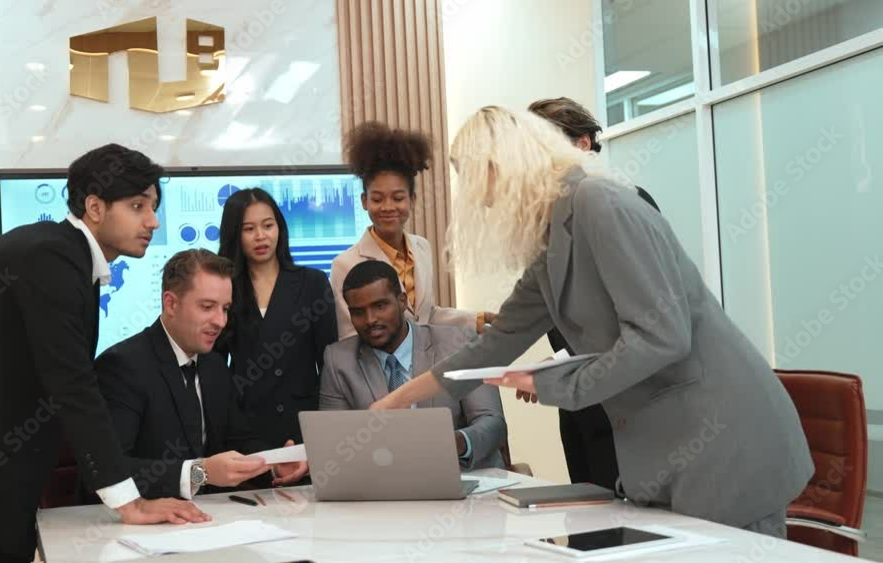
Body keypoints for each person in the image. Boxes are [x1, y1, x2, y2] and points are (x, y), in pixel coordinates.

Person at [371, 106, 813, 538]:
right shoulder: (554, 237)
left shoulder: (599, 204)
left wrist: (552, 384)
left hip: (723, 439)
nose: (476, 196)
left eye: (470, 174)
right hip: (670, 450)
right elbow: (493, 344)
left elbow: (662, 336)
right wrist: (389, 406)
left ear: (503, 165)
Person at [0, 144, 208, 563]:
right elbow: (72, 383)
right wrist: (129, 502)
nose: (153, 221)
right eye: (138, 206)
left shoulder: (64, 253)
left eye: (153, 206)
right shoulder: (51, 257)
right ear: (94, 207)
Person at [89, 249, 308, 502]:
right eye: (207, 307)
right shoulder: (122, 366)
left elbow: (238, 440)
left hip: (210, 520)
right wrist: (199, 473)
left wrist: (272, 463)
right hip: (141, 527)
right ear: (171, 303)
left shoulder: (214, 365)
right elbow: (107, 471)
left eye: (225, 309)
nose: (220, 321)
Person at [526, 97, 661, 493]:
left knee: (632, 536)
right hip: (578, 401)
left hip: (629, 402)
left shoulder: (625, 202)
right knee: (584, 524)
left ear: (583, 144)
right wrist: (558, 362)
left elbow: (644, 317)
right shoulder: (549, 217)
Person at [320, 261, 507, 469]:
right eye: (358, 312)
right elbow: (333, 443)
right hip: (383, 485)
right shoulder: (339, 360)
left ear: (402, 301)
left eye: (380, 306)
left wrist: (457, 442)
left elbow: (493, 424)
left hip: (462, 478)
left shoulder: (460, 344)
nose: (370, 320)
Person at [331, 121, 494, 340]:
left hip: (422, 363)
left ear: (412, 200)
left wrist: (478, 319)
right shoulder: (345, 264)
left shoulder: (421, 247)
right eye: (377, 199)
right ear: (364, 201)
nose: (388, 207)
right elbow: (350, 336)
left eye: (398, 198)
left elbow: (427, 316)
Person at [217, 188, 337, 448]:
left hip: (303, 425)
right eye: (248, 229)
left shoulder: (312, 282)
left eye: (268, 225)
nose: (261, 236)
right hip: (244, 428)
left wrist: (320, 432)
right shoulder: (224, 287)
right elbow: (214, 367)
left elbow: (329, 362)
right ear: (234, 235)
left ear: (279, 228)